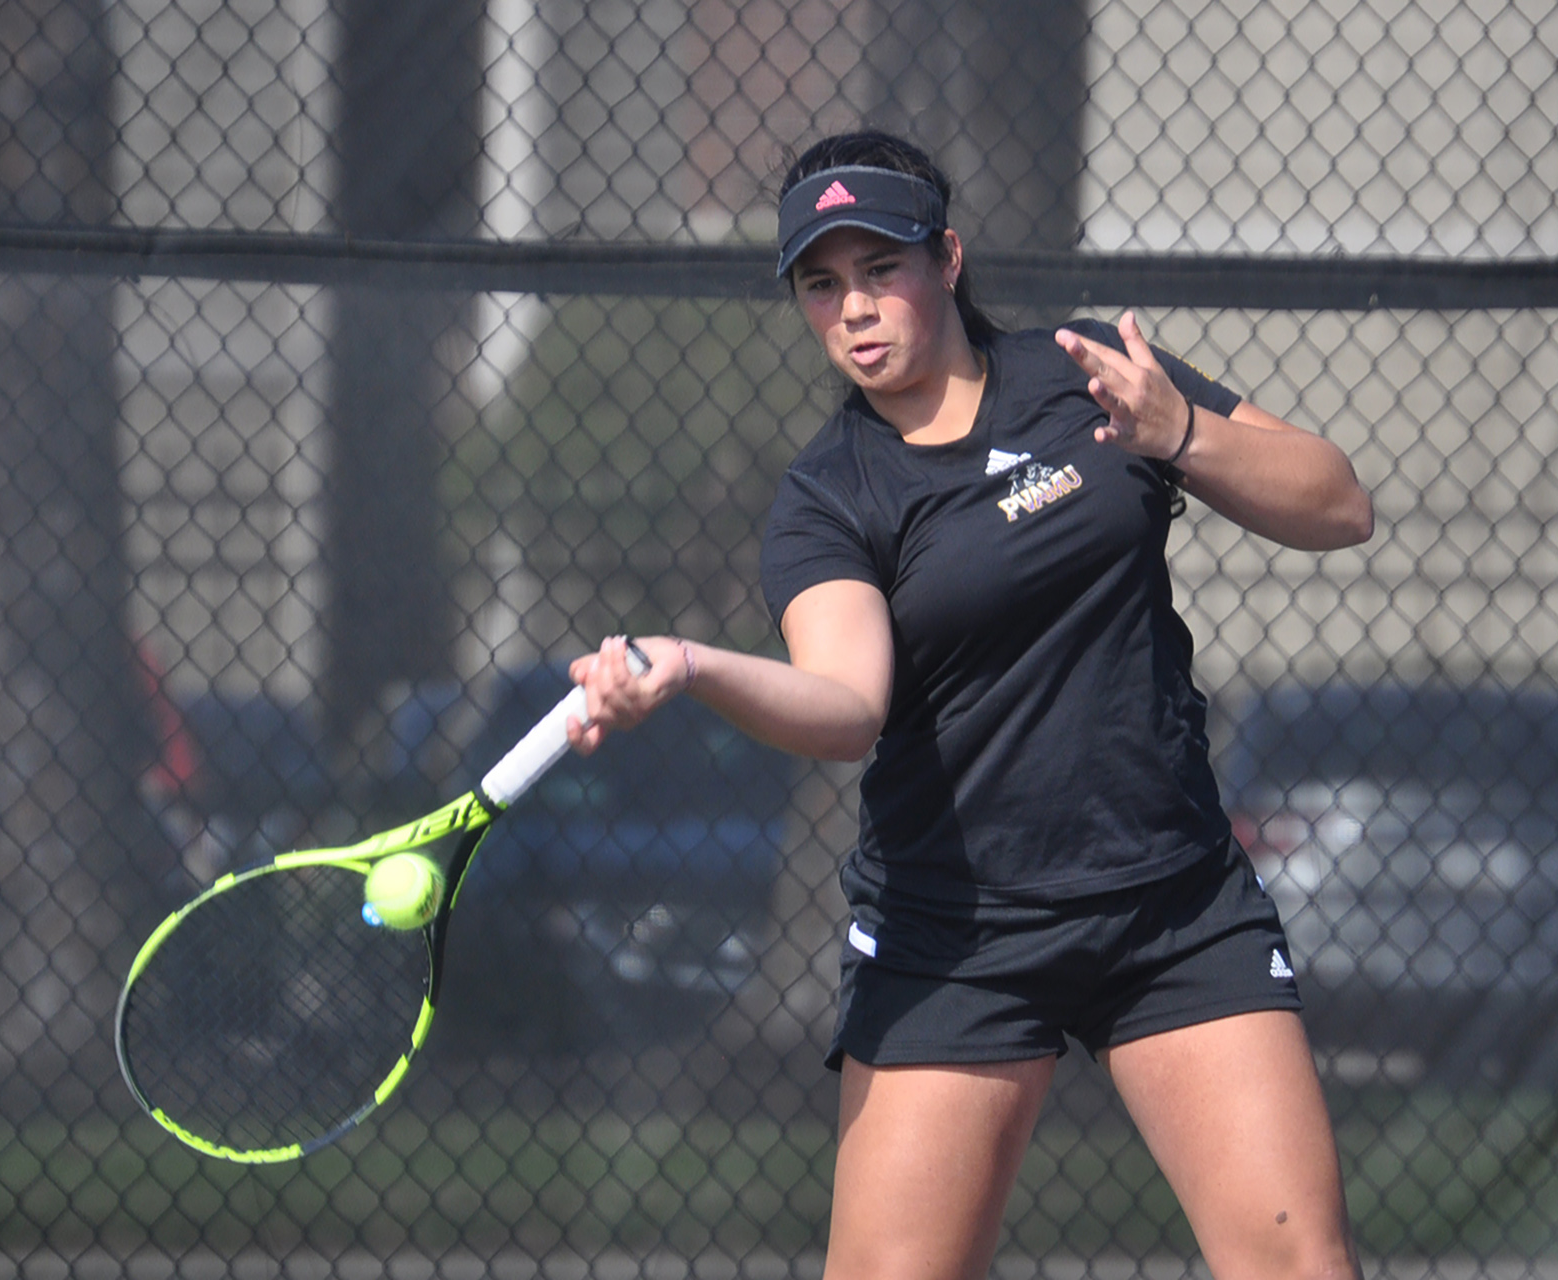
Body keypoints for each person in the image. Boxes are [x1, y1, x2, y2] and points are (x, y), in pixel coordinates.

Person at [566, 129, 1374, 1280]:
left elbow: (1339, 503)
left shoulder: (1088, 374)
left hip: (1172, 902)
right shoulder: (828, 497)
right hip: (956, 935)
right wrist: (694, 664)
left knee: (1302, 1265)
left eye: (879, 267)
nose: (853, 307)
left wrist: (1183, 433)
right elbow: (846, 703)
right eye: (819, 284)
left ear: (945, 258)